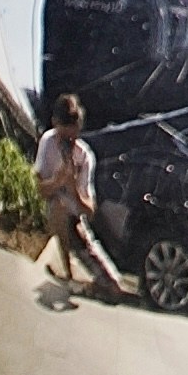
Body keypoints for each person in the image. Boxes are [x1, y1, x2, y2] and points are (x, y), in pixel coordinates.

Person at [29, 95, 126, 303]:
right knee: (59, 206)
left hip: (76, 220)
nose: (68, 145)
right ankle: (68, 271)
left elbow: (89, 210)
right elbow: (37, 189)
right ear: (55, 124)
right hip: (52, 210)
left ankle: (98, 281)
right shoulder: (48, 142)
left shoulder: (84, 156)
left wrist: (73, 188)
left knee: (113, 285)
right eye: (64, 138)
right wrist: (57, 181)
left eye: (72, 138)